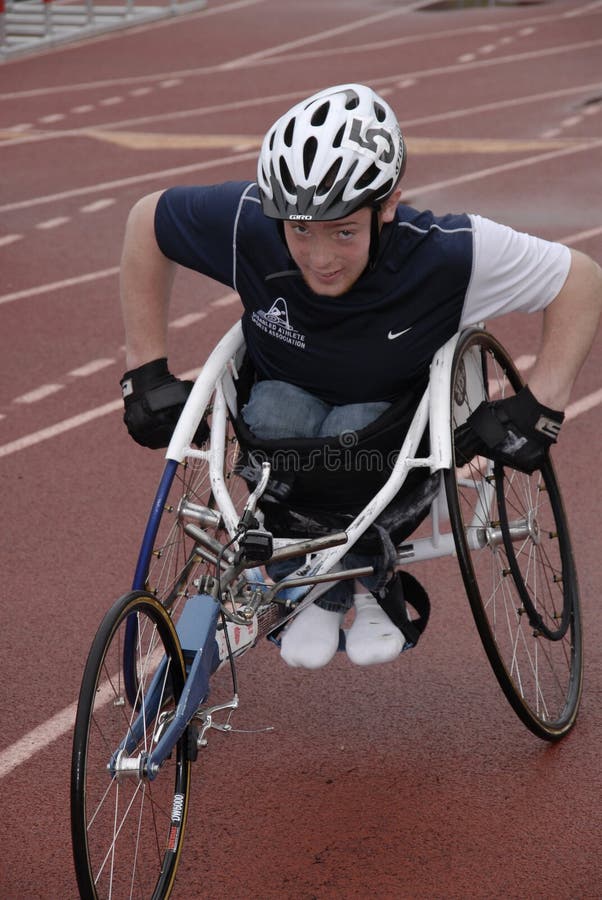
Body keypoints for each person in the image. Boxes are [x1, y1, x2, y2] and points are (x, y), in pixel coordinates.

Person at [119, 83, 602, 670]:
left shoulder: (447, 255)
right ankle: (318, 579)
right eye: (301, 231)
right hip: (282, 421)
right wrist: (144, 372)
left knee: (353, 426)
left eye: (344, 232)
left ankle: (362, 577)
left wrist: (542, 404)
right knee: (276, 413)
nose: (320, 257)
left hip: (393, 429)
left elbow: (579, 278)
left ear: (389, 205)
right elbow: (148, 221)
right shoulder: (249, 224)